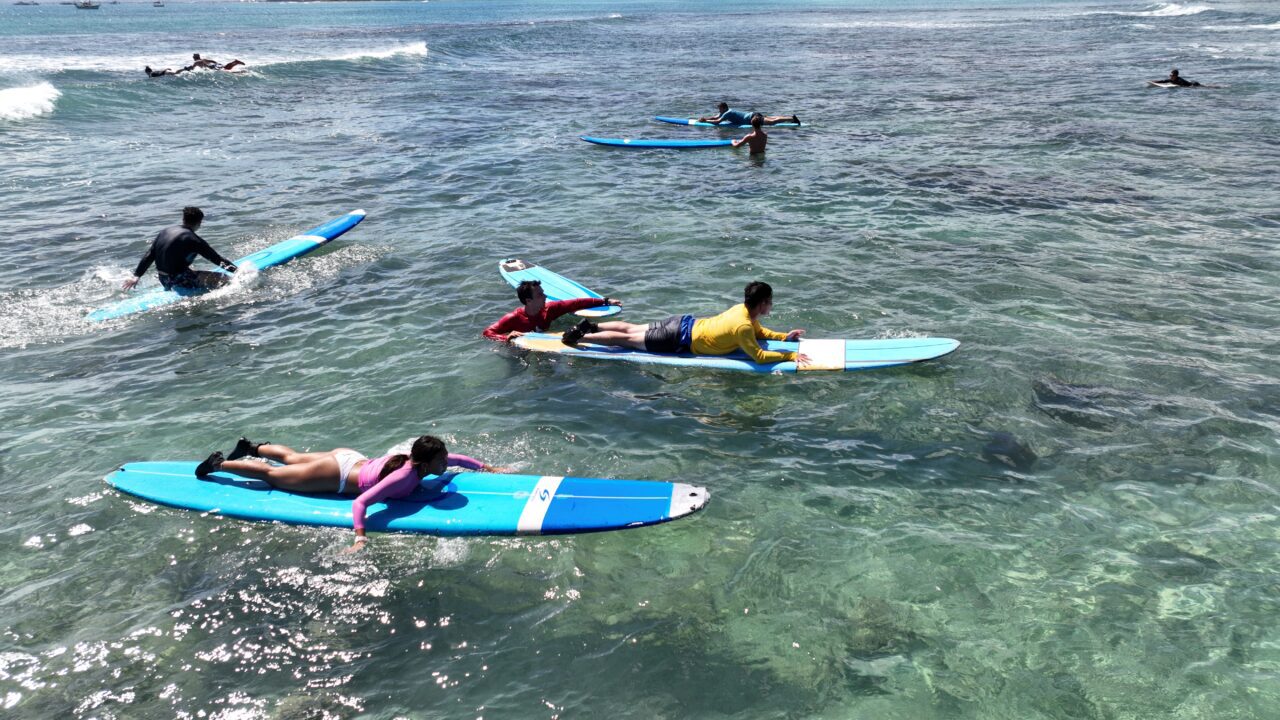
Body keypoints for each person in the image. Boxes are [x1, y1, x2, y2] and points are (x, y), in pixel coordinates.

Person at [195, 435, 508, 552]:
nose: (447, 461)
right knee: (274, 477)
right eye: (442, 460)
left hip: (350, 457)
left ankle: (251, 447)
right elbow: (361, 502)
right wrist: (360, 537)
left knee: (291, 459)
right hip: (339, 475)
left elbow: (460, 460)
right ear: (427, 462)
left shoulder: (419, 461)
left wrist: (488, 469)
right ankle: (220, 463)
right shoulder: (404, 477)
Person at [559, 281, 811, 366]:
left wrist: (783, 337)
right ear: (761, 304)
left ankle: (590, 326)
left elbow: (761, 332)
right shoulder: (743, 326)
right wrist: (789, 357)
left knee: (630, 327)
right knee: (622, 340)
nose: (771, 306)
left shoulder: (742, 311)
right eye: (770, 302)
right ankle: (579, 337)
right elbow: (757, 355)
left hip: (681, 323)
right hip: (677, 339)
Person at [122, 206, 239, 292]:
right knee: (224, 279)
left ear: (183, 219)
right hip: (178, 280)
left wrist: (136, 276)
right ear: (200, 222)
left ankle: (180, 282)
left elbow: (149, 255)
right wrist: (238, 272)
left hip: (163, 279)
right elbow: (217, 259)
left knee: (189, 268)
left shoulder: (165, 231)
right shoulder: (194, 240)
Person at [483, 279, 623, 343]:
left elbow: (576, 303)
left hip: (544, 341)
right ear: (528, 301)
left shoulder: (550, 309)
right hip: (520, 348)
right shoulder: (513, 318)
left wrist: (605, 301)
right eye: (540, 295)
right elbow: (487, 333)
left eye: (543, 293)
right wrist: (506, 337)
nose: (545, 296)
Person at [697, 101, 799, 127]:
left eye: (719, 109)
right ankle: (790, 118)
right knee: (771, 118)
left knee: (772, 122)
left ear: (723, 108)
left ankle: (791, 119)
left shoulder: (727, 113)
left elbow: (718, 122)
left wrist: (705, 121)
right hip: (753, 115)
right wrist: (705, 118)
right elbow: (716, 117)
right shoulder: (727, 111)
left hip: (752, 118)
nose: (719, 111)